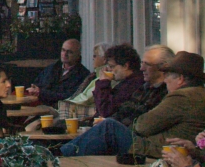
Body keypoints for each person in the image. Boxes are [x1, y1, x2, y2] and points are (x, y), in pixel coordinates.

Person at [60, 51, 205, 157]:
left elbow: (143, 126)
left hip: (157, 151)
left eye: (167, 76)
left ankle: (58, 157)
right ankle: (61, 155)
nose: (165, 80)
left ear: (180, 78)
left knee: (109, 127)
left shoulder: (181, 97)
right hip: (168, 149)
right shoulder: (198, 94)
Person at [113, 45, 176, 126]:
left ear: (164, 67)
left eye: (147, 64)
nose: (142, 68)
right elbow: (123, 110)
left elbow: (147, 122)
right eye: (142, 63)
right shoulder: (143, 88)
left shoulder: (167, 91)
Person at [26, 39, 91, 106]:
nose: (65, 54)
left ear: (78, 55)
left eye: (69, 52)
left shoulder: (83, 75)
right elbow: (36, 84)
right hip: (40, 104)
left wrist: (42, 93)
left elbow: (70, 97)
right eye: (63, 50)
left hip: (59, 109)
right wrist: (34, 89)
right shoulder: (52, 68)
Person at [93, 44, 145, 120]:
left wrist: (103, 83)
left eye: (112, 66)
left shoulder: (133, 84)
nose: (110, 70)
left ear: (125, 66)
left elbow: (105, 111)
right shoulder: (125, 82)